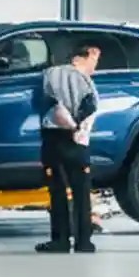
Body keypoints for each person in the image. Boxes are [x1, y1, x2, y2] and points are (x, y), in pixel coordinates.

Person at [36, 42, 101, 254]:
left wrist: (65, 122)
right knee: (81, 193)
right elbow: (91, 107)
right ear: (84, 55)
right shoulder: (86, 81)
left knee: (57, 193)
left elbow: (44, 103)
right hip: (77, 141)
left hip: (53, 139)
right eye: (95, 60)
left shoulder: (48, 74)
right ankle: (84, 242)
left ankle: (60, 241)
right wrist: (77, 127)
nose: (95, 67)